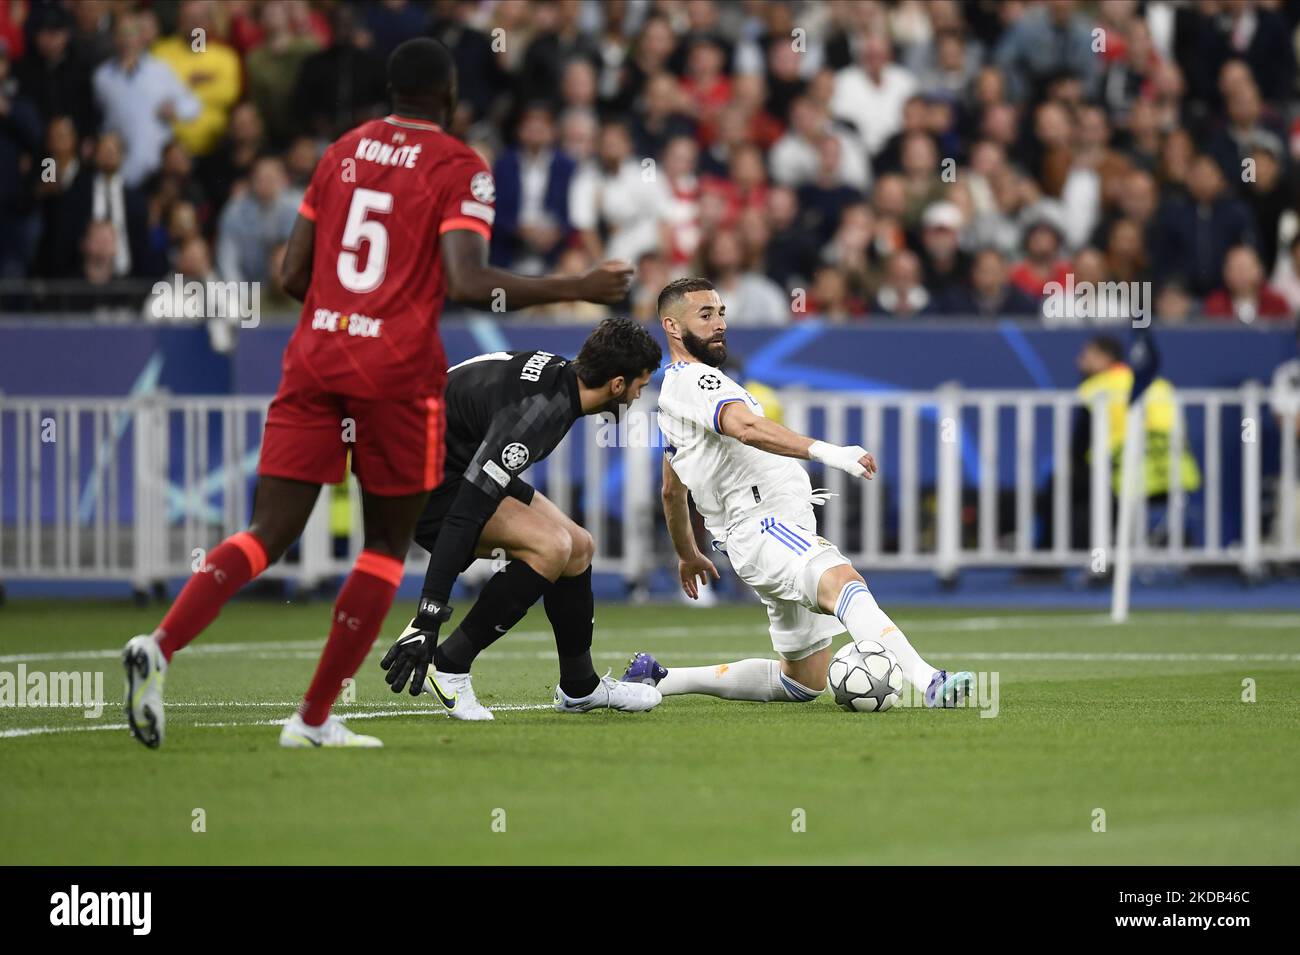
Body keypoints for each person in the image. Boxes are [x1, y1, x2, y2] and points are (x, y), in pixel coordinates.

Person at [122, 37, 632, 750]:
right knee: (386, 543)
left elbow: (291, 275)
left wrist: (344, 305)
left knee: (265, 533)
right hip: (393, 372)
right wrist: (573, 286)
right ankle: (312, 718)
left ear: (391, 93)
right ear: (449, 95)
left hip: (313, 356)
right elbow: (464, 279)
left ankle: (161, 642)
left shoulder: (340, 152)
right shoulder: (460, 166)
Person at [620, 278, 972, 708]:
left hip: (760, 532)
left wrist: (687, 552)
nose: (719, 325)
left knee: (804, 681)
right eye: (705, 315)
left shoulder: (678, 395)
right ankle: (930, 681)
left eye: (722, 313)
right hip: (766, 525)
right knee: (843, 581)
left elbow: (671, 492)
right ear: (672, 327)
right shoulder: (694, 382)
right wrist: (831, 453)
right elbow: (746, 428)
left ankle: (658, 678)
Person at [378, 319, 664, 719]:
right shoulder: (538, 415)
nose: (637, 396)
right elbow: (463, 516)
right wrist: (428, 617)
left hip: (453, 462)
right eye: (640, 385)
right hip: (415, 485)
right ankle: (450, 666)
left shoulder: (560, 379)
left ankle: (580, 687)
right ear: (617, 384)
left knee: (578, 546)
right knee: (551, 546)